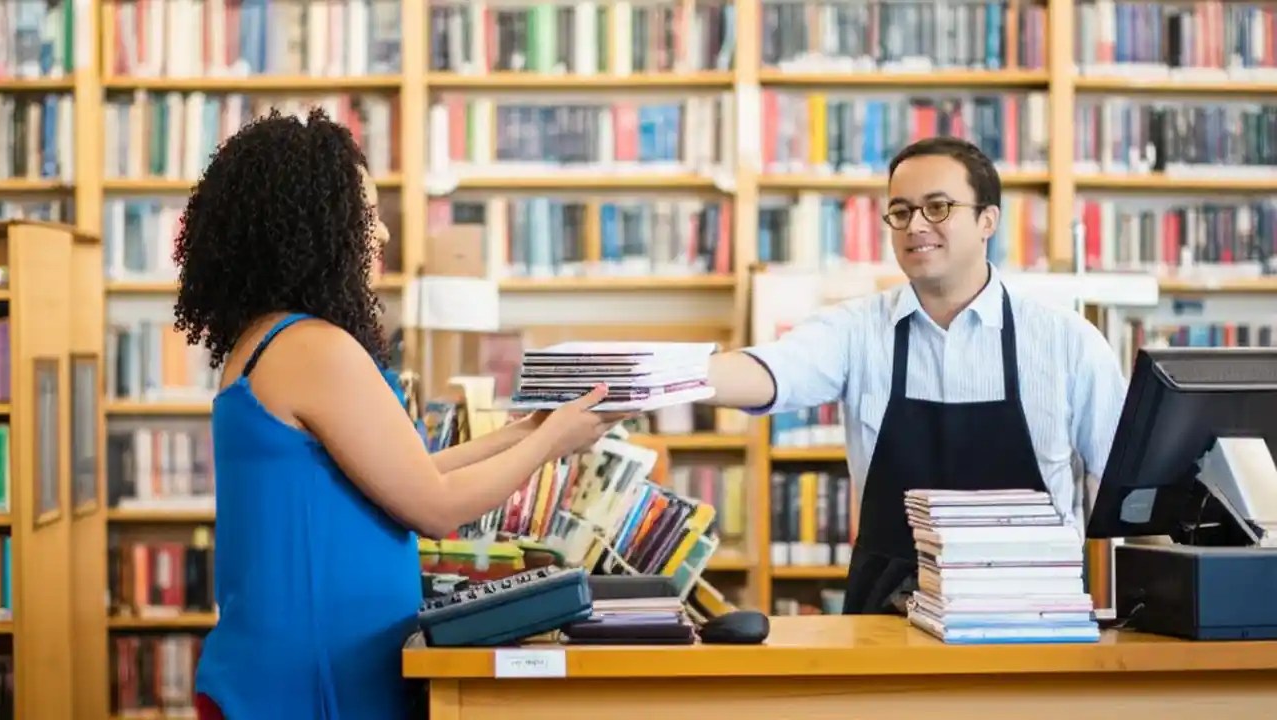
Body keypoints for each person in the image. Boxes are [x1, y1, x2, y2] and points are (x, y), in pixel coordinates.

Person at [176, 108, 627, 719]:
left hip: (290, 672)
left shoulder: (270, 341)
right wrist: (551, 445)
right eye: (368, 216)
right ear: (320, 227)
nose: (383, 235)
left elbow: (412, 471)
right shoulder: (313, 348)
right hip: (315, 685)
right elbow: (435, 507)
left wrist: (531, 430)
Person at [704, 136, 1128, 615]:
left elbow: (1126, 489)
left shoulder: (1069, 342)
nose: (916, 225)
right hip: (886, 620)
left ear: (988, 220)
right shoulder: (856, 330)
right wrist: (652, 378)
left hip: (1030, 619)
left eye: (938, 207)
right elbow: (771, 371)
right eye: (901, 212)